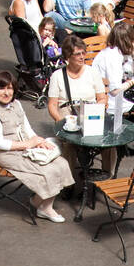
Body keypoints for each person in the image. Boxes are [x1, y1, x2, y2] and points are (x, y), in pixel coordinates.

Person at [0, 70, 75, 222]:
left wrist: (39, 141)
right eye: (2, 88)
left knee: (61, 162)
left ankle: (38, 201)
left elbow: (27, 128)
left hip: (26, 147)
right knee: (49, 170)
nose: (7, 93)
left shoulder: (16, 104)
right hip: (8, 154)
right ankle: (45, 208)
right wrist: (29, 144)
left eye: (10, 88)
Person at [93, 21, 134, 155]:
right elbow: (115, 90)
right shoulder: (113, 57)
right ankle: (132, 141)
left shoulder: (118, 51)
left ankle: (130, 139)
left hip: (114, 95)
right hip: (107, 100)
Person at [47, 35, 108, 170]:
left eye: (83, 53)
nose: (82, 57)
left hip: (89, 111)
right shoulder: (57, 76)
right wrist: (59, 120)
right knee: (69, 146)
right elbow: (52, 104)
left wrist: (98, 109)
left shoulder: (92, 72)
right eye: (77, 54)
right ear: (68, 57)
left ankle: (107, 178)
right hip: (67, 112)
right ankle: (72, 183)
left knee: (109, 146)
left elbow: (102, 98)